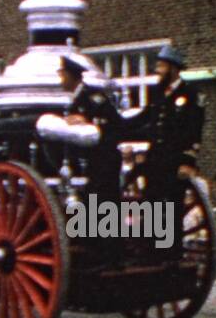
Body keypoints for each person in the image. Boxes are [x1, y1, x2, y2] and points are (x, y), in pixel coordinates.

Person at [124, 44, 205, 259]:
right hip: (155, 161)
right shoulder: (157, 93)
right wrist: (116, 125)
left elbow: (194, 131)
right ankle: (151, 254)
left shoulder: (190, 95)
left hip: (174, 162)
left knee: (170, 209)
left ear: (173, 68)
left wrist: (188, 160)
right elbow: (145, 119)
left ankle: (169, 257)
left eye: (161, 65)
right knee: (151, 205)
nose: (157, 70)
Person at [59, 54, 127, 267]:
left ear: (72, 76)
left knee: (104, 206)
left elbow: (114, 124)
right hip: (89, 163)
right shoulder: (76, 101)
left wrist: (87, 121)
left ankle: (110, 257)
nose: (59, 78)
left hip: (103, 160)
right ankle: (94, 253)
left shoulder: (93, 98)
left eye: (62, 74)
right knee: (90, 206)